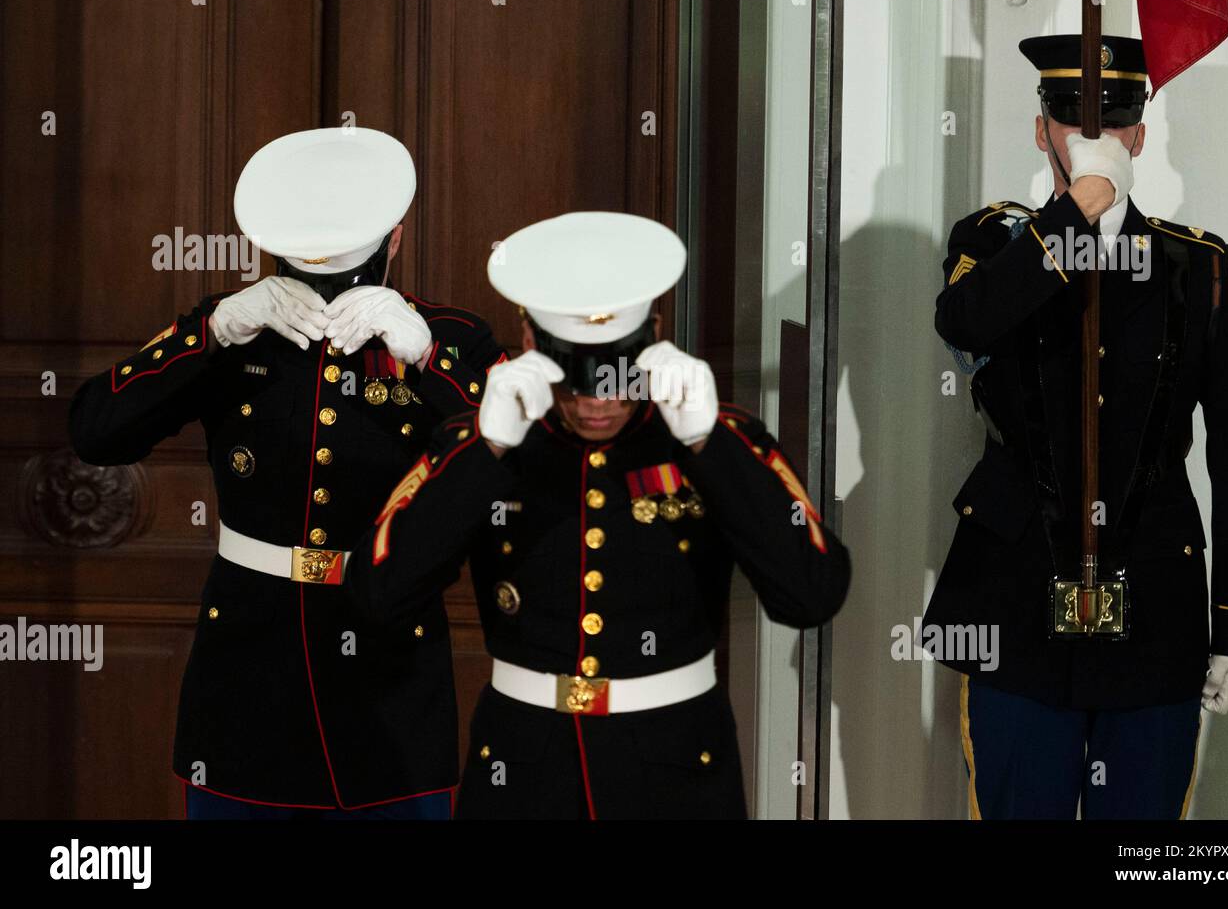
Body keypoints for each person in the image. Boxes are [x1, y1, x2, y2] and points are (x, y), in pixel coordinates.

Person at [343, 211, 850, 818]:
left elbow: (811, 595)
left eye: (617, 370)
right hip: (522, 771)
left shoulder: (714, 437)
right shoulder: (482, 440)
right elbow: (377, 596)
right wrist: (485, 450)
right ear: (531, 341)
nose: (598, 401)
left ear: (654, 335)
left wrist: (711, 446)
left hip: (677, 771)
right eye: (577, 376)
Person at [68, 127, 503, 819]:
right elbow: (95, 430)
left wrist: (432, 362)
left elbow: (525, 465)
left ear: (394, 239)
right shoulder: (235, 332)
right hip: (248, 676)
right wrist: (206, 336)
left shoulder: (446, 338)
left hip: (391, 682)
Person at [925, 35, 1228, 819]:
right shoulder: (993, 242)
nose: (1092, 140)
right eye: (1070, 121)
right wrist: (1073, 215)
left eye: (1112, 123)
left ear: (1140, 135)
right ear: (1040, 130)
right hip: (1014, 604)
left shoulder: (1199, 269)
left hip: (1155, 606)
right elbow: (967, 322)